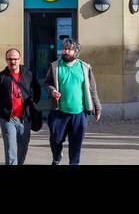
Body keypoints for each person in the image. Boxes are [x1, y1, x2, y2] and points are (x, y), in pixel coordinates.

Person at [42, 37, 101, 166]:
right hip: (59, 112)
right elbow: (47, 83)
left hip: (79, 113)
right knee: (55, 140)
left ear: (76, 52)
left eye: (69, 49)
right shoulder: (55, 66)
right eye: (64, 49)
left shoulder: (85, 67)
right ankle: (57, 156)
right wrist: (52, 90)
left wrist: (97, 108)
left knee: (76, 143)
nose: (66, 51)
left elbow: (92, 89)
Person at [0, 47, 40, 165]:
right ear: (6, 60)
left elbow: (37, 89)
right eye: (10, 59)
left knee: (23, 146)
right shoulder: (1, 77)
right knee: (10, 148)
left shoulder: (28, 74)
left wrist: (33, 103)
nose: (13, 62)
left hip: (25, 118)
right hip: (8, 119)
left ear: (20, 59)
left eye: (15, 59)